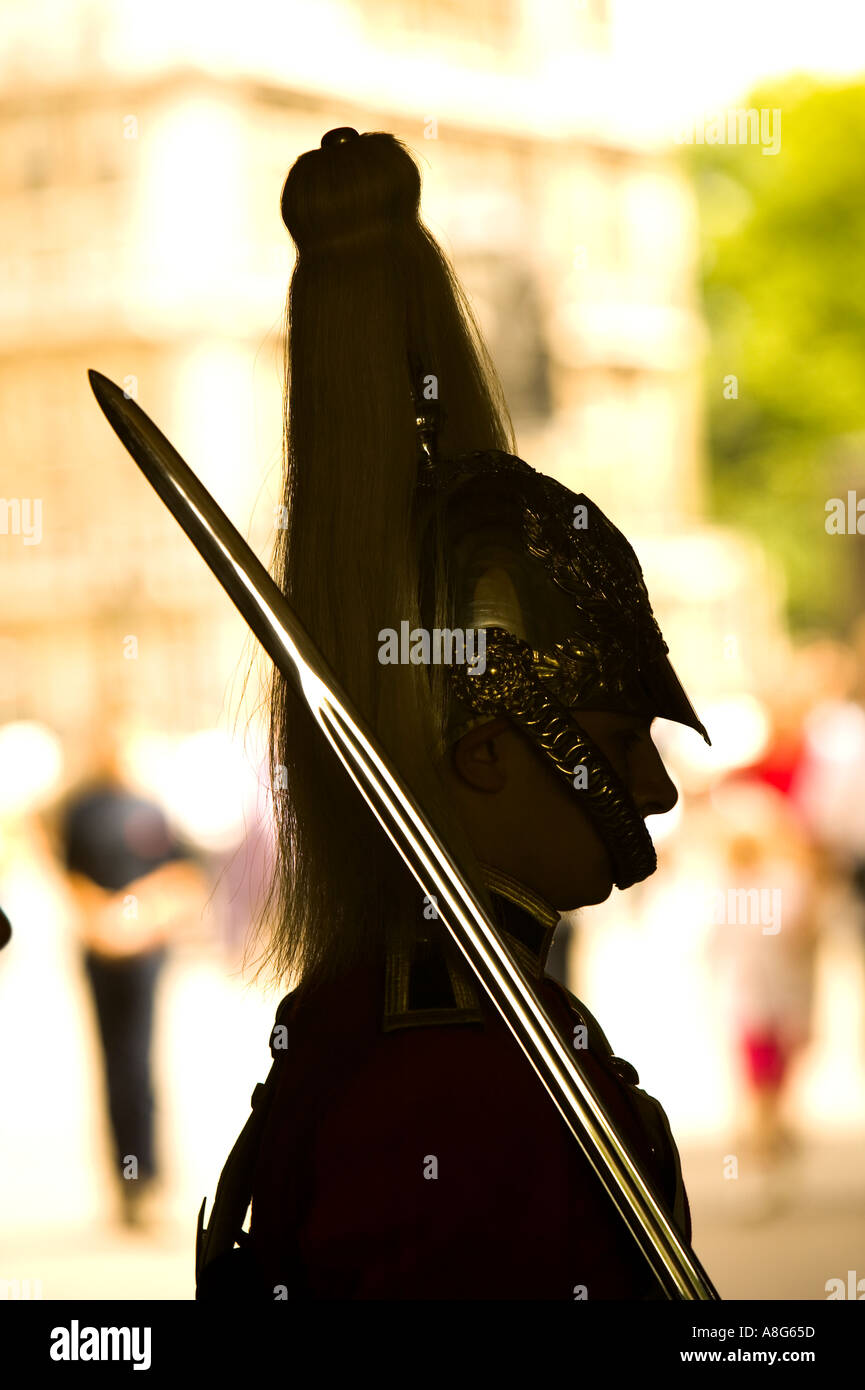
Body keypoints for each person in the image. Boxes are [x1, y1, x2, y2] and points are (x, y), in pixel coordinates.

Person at [197, 127, 712, 1300]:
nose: (654, 788)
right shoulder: (458, 1086)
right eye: (619, 736)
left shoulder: (431, 1025)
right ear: (485, 751)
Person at [59, 715, 205, 1227]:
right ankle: (125, 1178)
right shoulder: (81, 808)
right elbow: (68, 873)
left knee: (139, 1060)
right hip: (100, 949)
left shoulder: (153, 808)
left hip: (145, 951)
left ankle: (147, 1173)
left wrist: (143, 913)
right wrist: (101, 919)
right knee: (112, 1063)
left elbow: (186, 875)